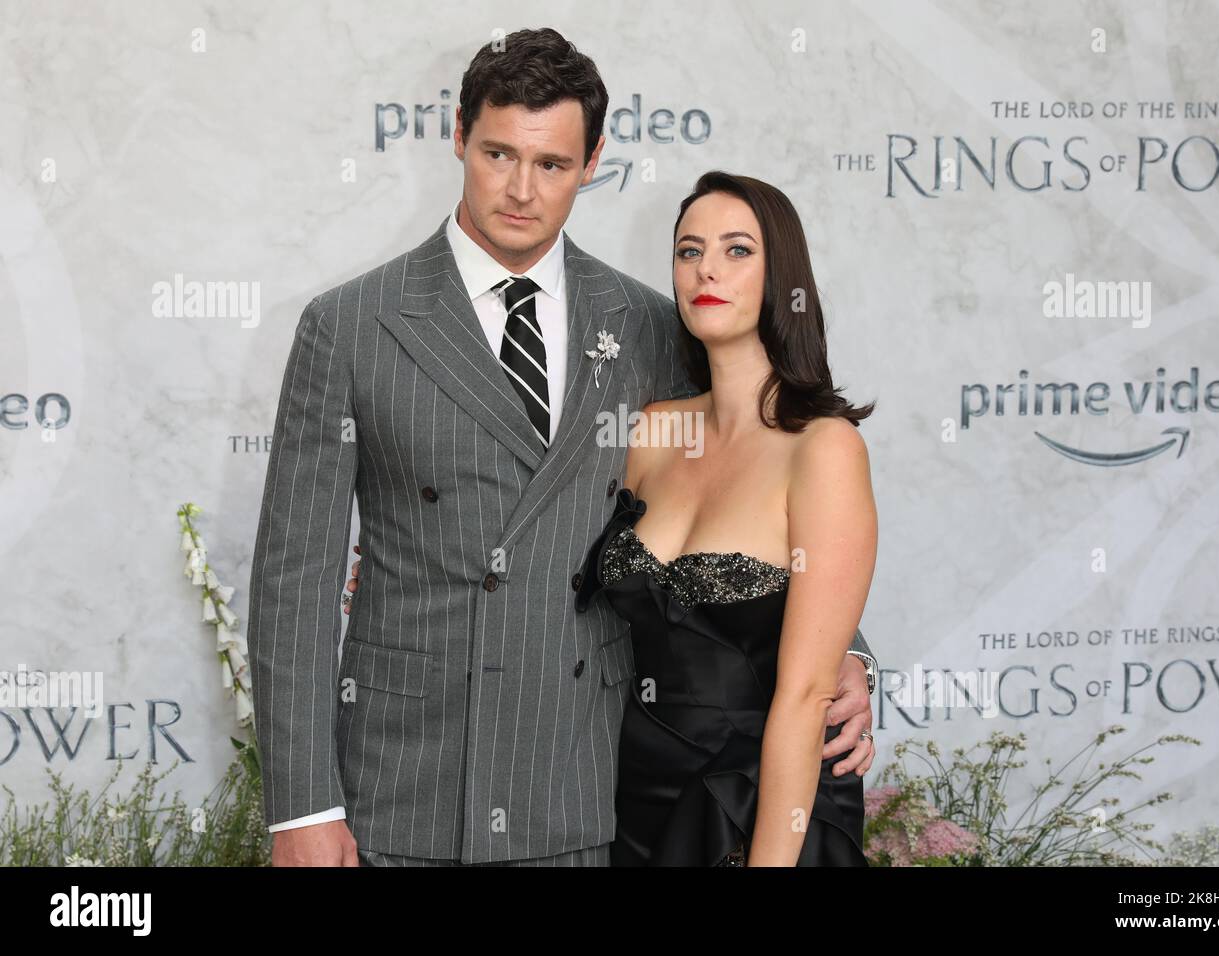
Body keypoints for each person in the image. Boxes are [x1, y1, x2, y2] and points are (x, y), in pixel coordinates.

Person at [248, 26, 877, 868]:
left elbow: (756, 487)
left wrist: (850, 657)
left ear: (593, 161)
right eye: (498, 153)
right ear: (457, 134)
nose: (520, 189)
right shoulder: (351, 328)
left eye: (550, 164)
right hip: (401, 790)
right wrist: (301, 810)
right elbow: (295, 580)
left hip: (589, 791)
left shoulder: (654, 323)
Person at [572, 171, 877, 866]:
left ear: (782, 277)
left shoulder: (824, 448)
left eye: (737, 250)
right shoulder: (648, 432)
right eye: (688, 251)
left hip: (761, 804)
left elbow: (803, 694)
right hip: (634, 796)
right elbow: (553, 545)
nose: (706, 268)